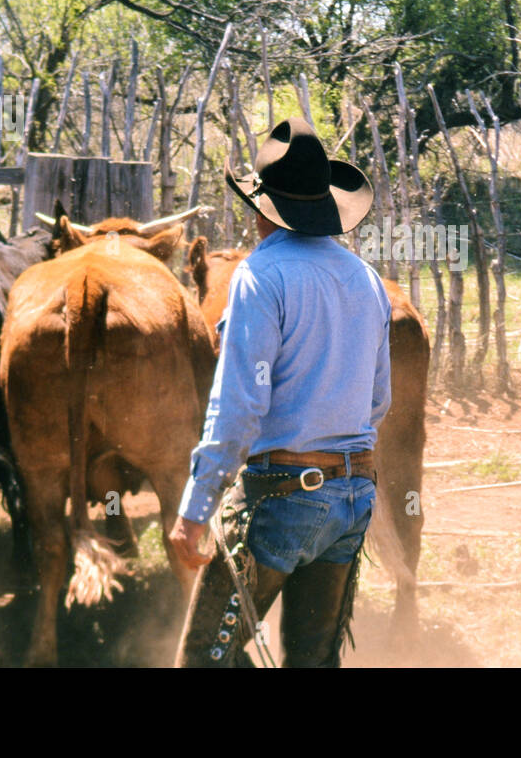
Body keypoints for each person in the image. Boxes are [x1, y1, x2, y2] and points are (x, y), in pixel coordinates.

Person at [168, 117, 392, 668]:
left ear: (259, 205)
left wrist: (196, 508)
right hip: (352, 493)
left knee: (204, 658)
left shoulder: (259, 276)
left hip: (282, 496)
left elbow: (239, 407)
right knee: (313, 661)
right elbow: (376, 401)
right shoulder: (365, 279)